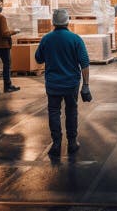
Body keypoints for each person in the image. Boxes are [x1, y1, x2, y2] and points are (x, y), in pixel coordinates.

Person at [35, 9, 92, 158]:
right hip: (71, 84)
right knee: (71, 111)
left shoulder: (46, 39)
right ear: (68, 21)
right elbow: (84, 63)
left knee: (54, 111)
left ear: (53, 22)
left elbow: (38, 59)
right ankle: (72, 143)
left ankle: (56, 143)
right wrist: (86, 85)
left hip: (53, 84)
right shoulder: (75, 39)